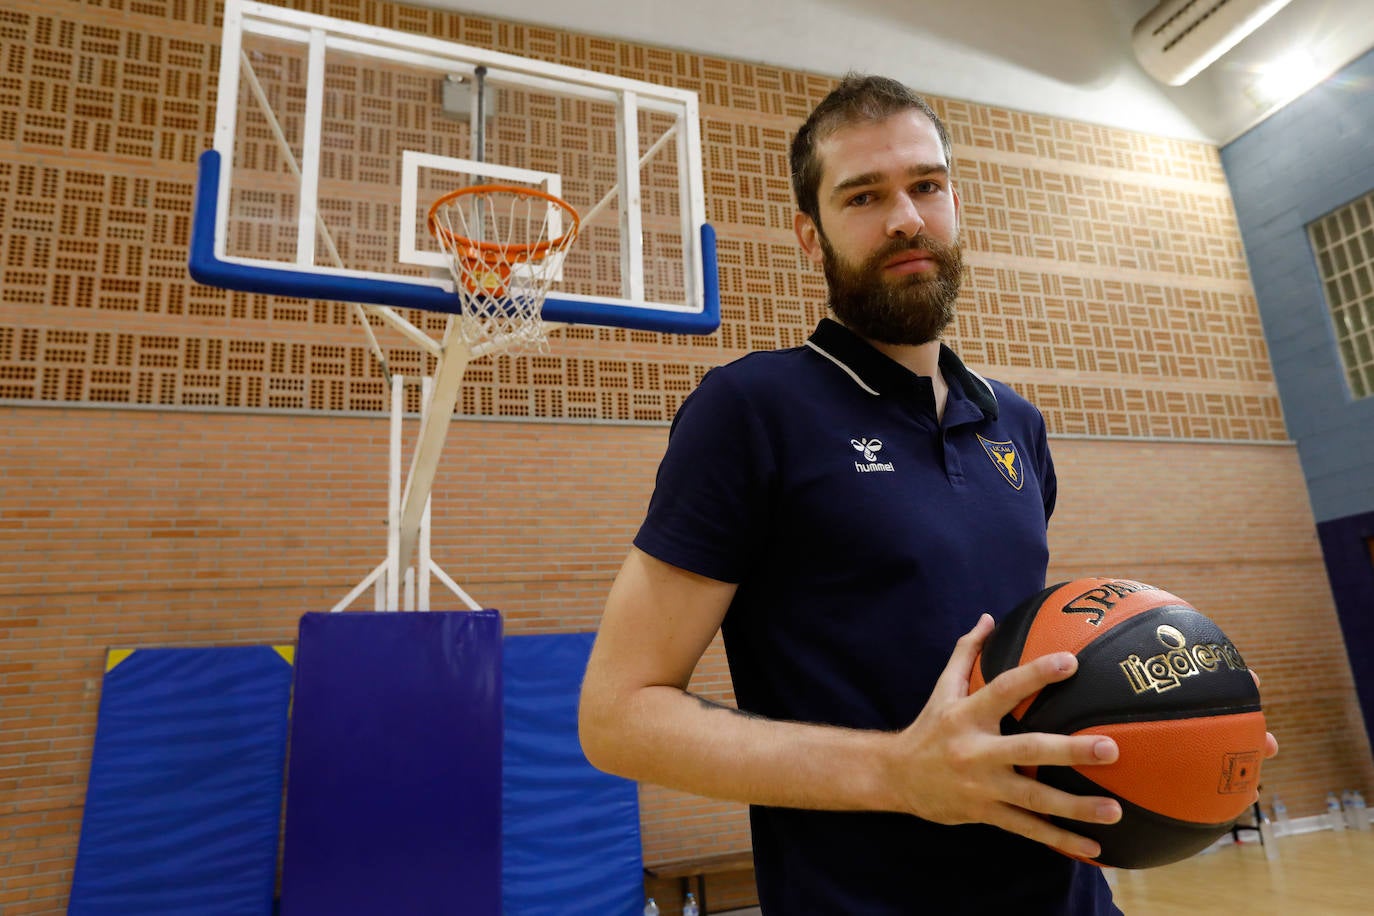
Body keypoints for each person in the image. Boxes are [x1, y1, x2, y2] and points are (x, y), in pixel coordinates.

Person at [579, 74, 1272, 914]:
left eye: (927, 186)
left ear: (954, 204)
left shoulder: (1015, 422)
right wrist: (898, 773)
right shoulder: (751, 411)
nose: (905, 218)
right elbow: (618, 717)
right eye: (864, 195)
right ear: (809, 236)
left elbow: (1021, 672)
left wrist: (1185, 717)